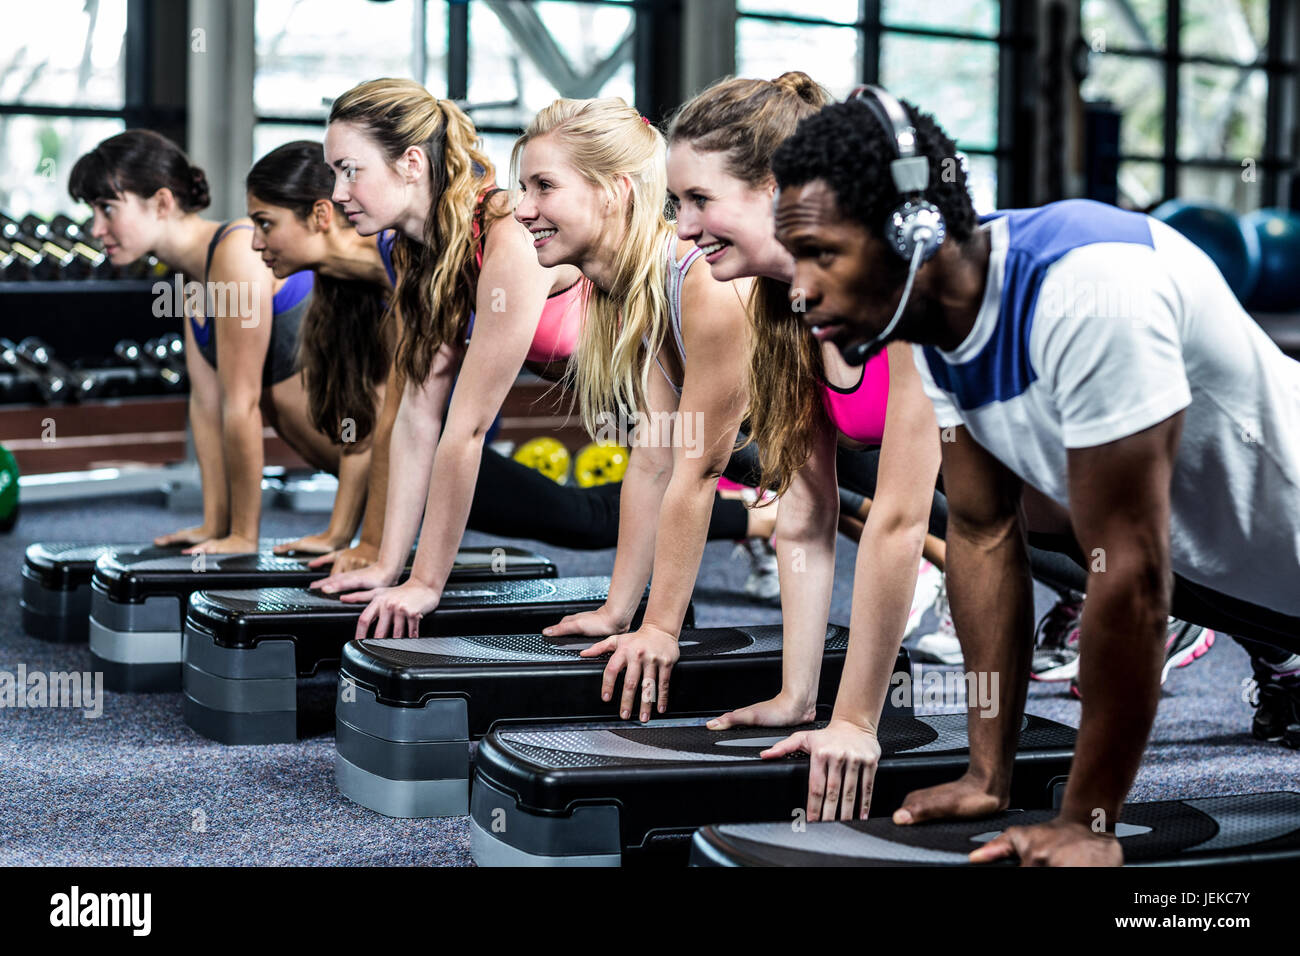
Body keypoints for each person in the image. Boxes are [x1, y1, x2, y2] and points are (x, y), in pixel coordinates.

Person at [767, 86, 1299, 865]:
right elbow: (984, 532)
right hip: (1238, 576)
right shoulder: (940, 325)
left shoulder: (1091, 287)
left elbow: (1131, 577)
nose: (800, 289)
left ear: (916, 231)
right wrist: (989, 775)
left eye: (823, 254)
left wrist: (1088, 821)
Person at [306, 80, 775, 623]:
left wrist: (426, 584)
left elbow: (468, 428)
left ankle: (770, 526)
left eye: (349, 169)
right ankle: (769, 526)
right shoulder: (420, 254)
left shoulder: (523, 241)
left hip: (751, 402)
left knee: (828, 496)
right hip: (672, 403)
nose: (338, 192)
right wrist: (393, 569)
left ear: (412, 163)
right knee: (755, 489)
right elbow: (417, 416)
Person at [509, 95, 766, 720]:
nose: (522, 209)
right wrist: (618, 610)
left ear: (614, 192)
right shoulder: (640, 289)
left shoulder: (700, 280)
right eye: (523, 188)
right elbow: (654, 461)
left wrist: (661, 630)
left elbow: (698, 471)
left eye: (544, 186)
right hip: (805, 450)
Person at [69, 130, 359, 554]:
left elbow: (242, 405)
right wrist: (215, 525)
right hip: (356, 479)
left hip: (393, 472)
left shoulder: (239, 250)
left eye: (107, 209)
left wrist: (244, 536)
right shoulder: (192, 278)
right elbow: (206, 406)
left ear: (162, 203)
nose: (97, 228)